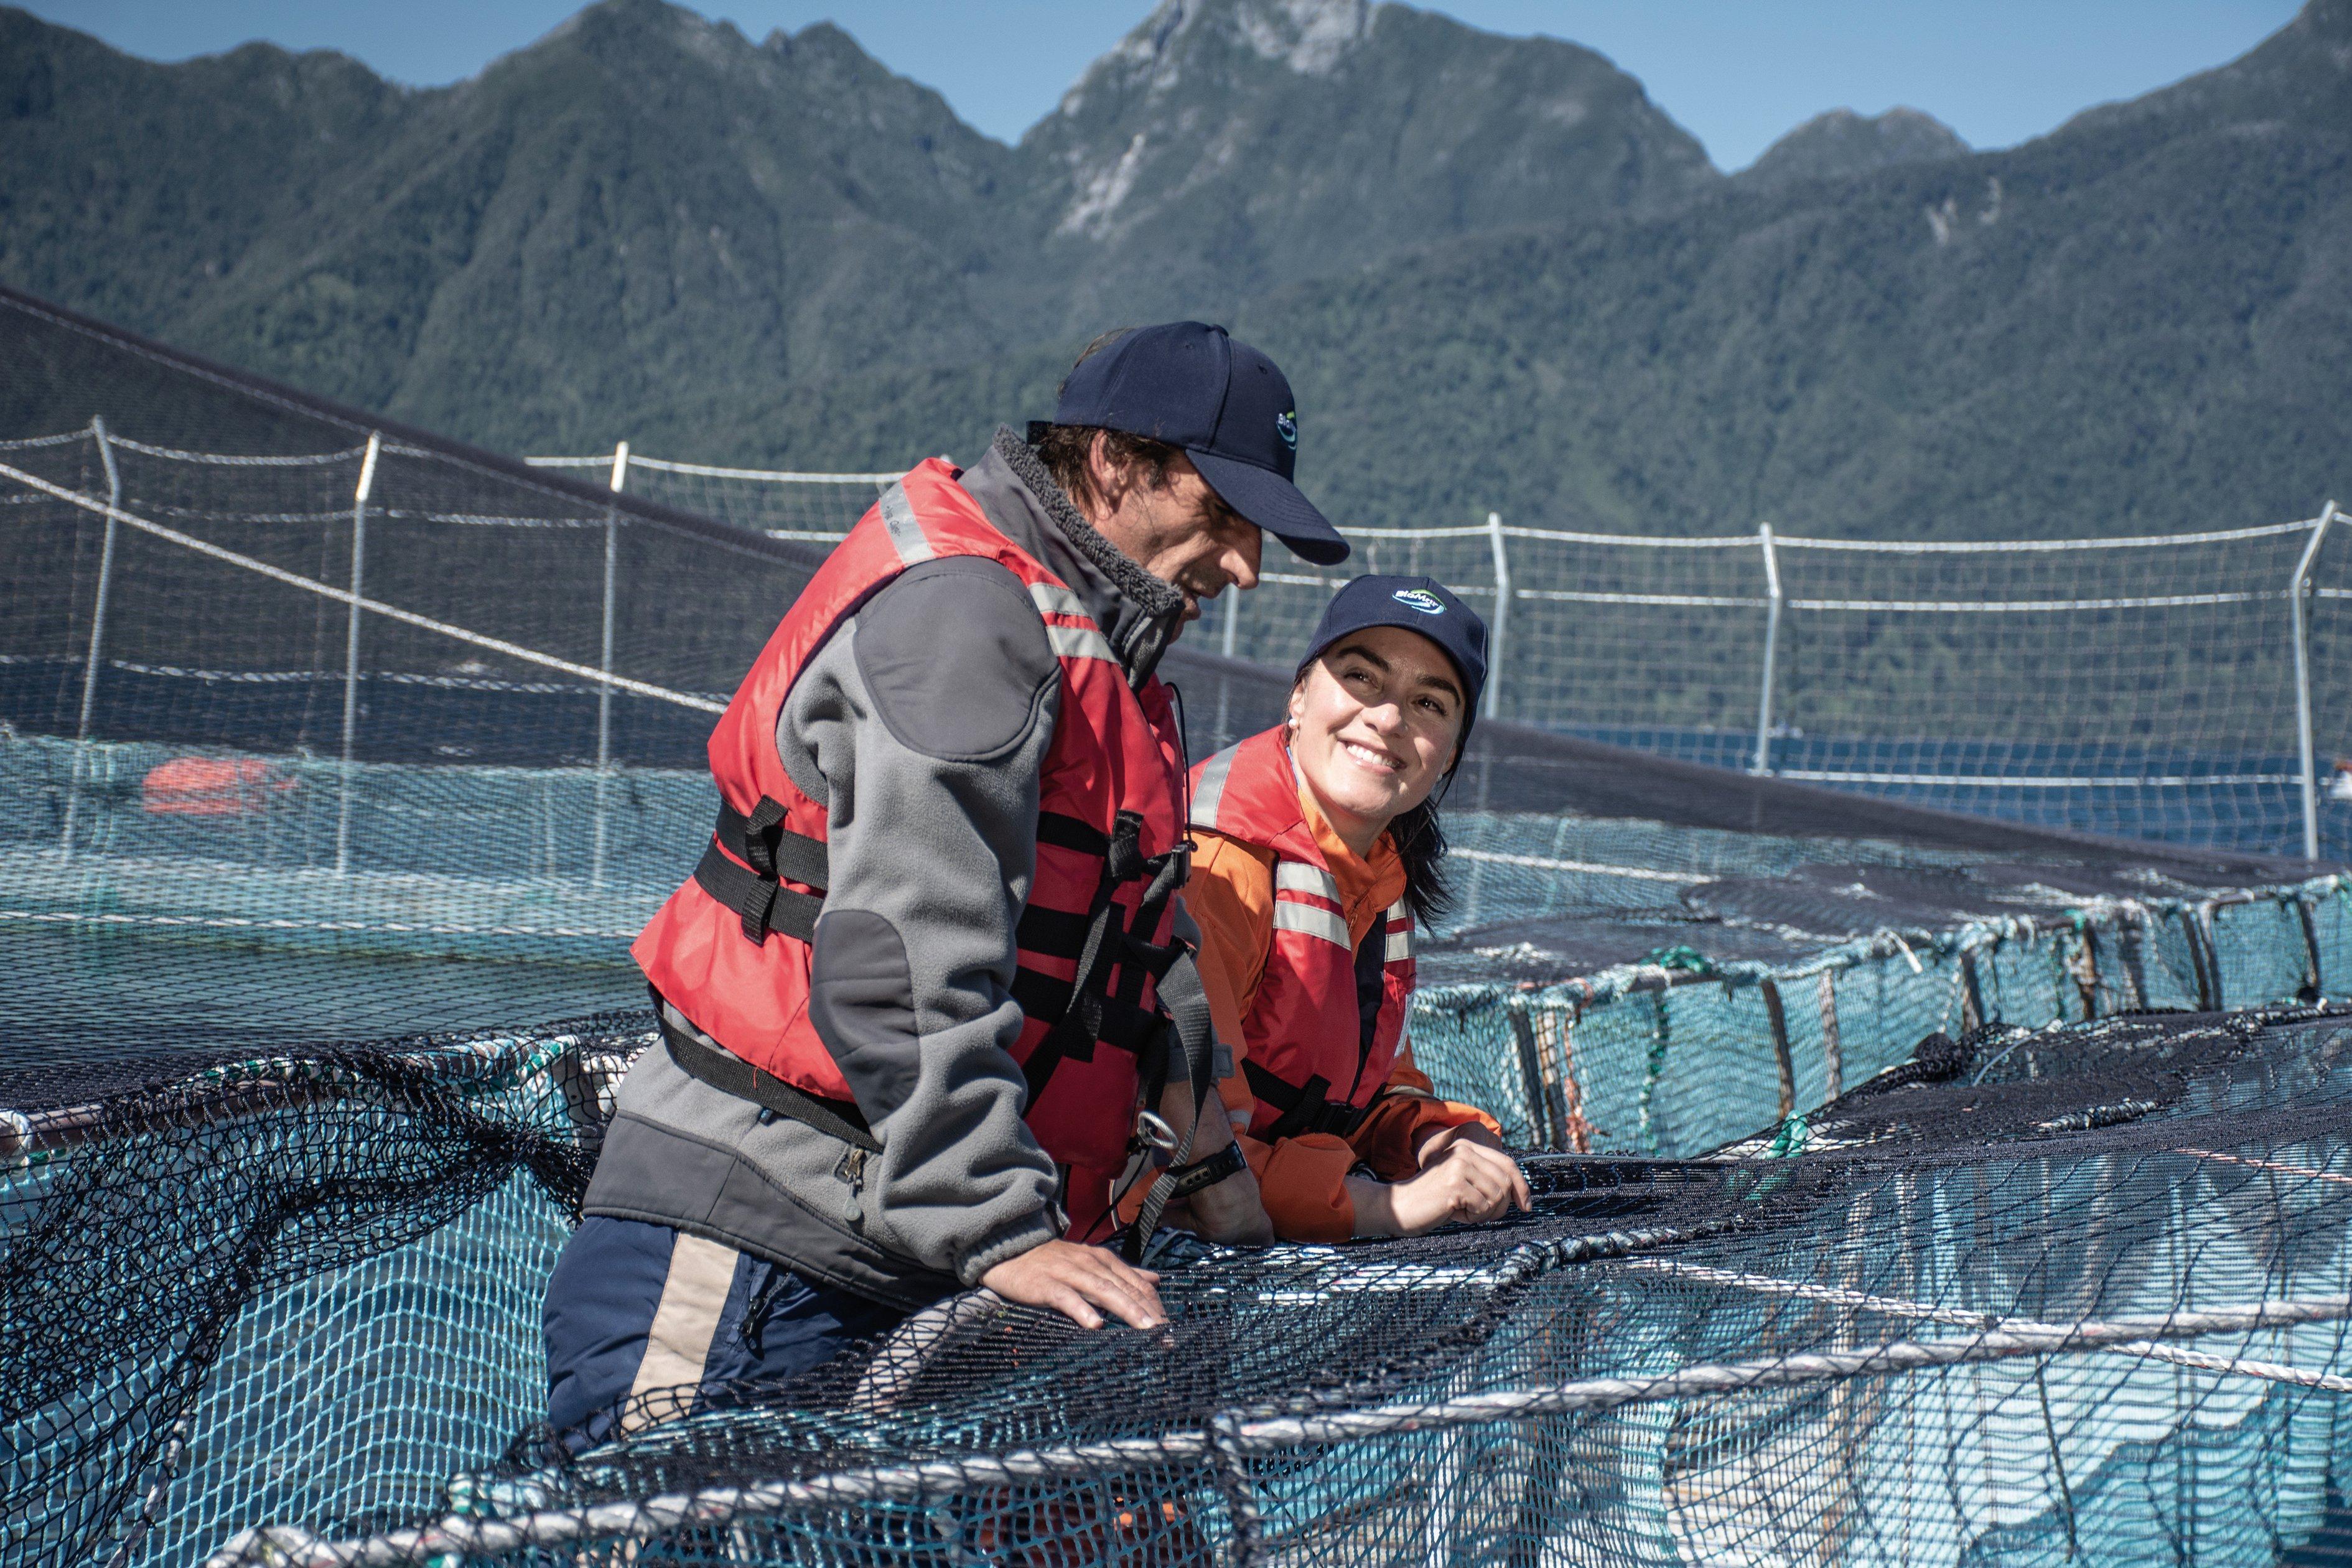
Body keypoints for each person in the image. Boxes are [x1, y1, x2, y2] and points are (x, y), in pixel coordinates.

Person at [542, 323, 1353, 1445]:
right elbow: (896, 958)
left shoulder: (1110, 648)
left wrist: (1207, 1163)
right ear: (1116, 461)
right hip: (761, 1238)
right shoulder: (969, 617)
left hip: (907, 1242)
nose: (1246, 566)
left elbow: (1136, 957)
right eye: (1223, 516)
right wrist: (1004, 1232)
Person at [1182, 576, 1533, 1243]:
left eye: (1428, 701)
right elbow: (1185, 1158)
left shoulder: (1373, 874)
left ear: (1450, 753)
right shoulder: (1219, 866)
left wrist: (1442, 1143)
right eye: (1362, 678)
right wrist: (1389, 1208)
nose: (1389, 718)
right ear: (1299, 694)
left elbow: (1366, 1093)